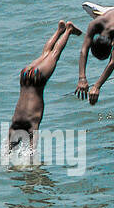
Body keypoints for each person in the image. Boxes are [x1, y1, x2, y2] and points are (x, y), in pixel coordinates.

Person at [9, 21, 80, 156]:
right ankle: (60, 31)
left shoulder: (26, 128)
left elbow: (29, 153)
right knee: (46, 55)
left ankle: (68, 30)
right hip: (26, 76)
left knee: (54, 54)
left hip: (36, 80)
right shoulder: (14, 126)